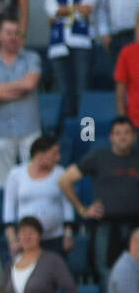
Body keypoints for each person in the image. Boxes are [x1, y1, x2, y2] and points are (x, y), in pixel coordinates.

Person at [59, 116, 139, 279]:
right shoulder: (98, 157)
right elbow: (65, 181)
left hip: (136, 227)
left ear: (134, 136)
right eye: (118, 133)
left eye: (126, 132)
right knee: (106, 275)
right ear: (111, 137)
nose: (122, 136)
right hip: (106, 227)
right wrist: (82, 209)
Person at [0, 17, 42, 184]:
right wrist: (16, 90)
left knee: (34, 181)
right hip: (0, 131)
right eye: (8, 33)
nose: (13, 37)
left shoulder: (31, 58)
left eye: (17, 33)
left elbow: (30, 83)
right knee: (5, 185)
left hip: (29, 130)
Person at [0, 216, 79, 293]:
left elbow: (71, 291)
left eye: (32, 232)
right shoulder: (10, 264)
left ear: (40, 236)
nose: (27, 236)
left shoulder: (52, 261)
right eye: (23, 233)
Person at [45, 0, 98, 130]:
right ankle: (65, 131)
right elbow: (50, 8)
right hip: (59, 43)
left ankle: (85, 133)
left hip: (81, 42)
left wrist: (61, 11)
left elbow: (88, 8)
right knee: (63, 89)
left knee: (83, 90)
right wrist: (75, 8)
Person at [3, 136, 74, 257]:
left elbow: (67, 204)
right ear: (40, 154)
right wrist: (12, 239)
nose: (58, 158)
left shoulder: (60, 172)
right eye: (54, 154)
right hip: (26, 238)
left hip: (55, 237)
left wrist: (68, 234)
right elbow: (9, 206)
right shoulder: (16, 174)